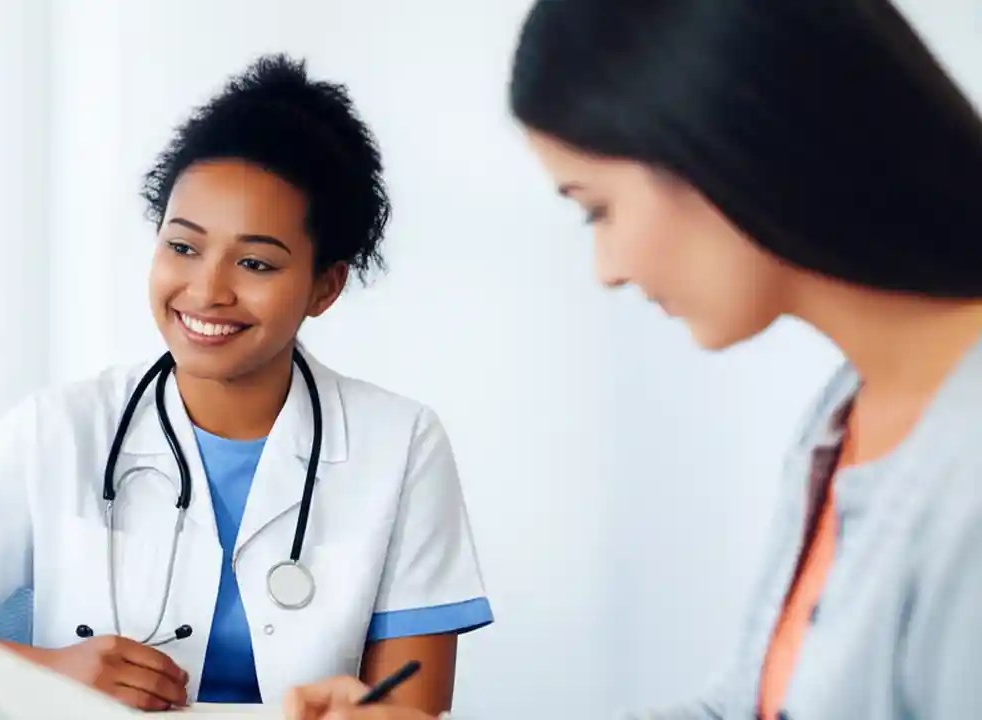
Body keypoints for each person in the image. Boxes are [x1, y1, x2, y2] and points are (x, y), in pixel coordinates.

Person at [285, 1, 982, 718]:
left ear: (721, 139)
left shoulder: (965, 474)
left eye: (598, 209)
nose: (606, 268)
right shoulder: (847, 418)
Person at [0, 55, 492, 715]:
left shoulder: (399, 443)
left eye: (255, 262)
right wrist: (44, 679)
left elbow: (408, 705)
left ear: (325, 286)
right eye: (183, 246)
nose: (207, 289)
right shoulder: (63, 428)